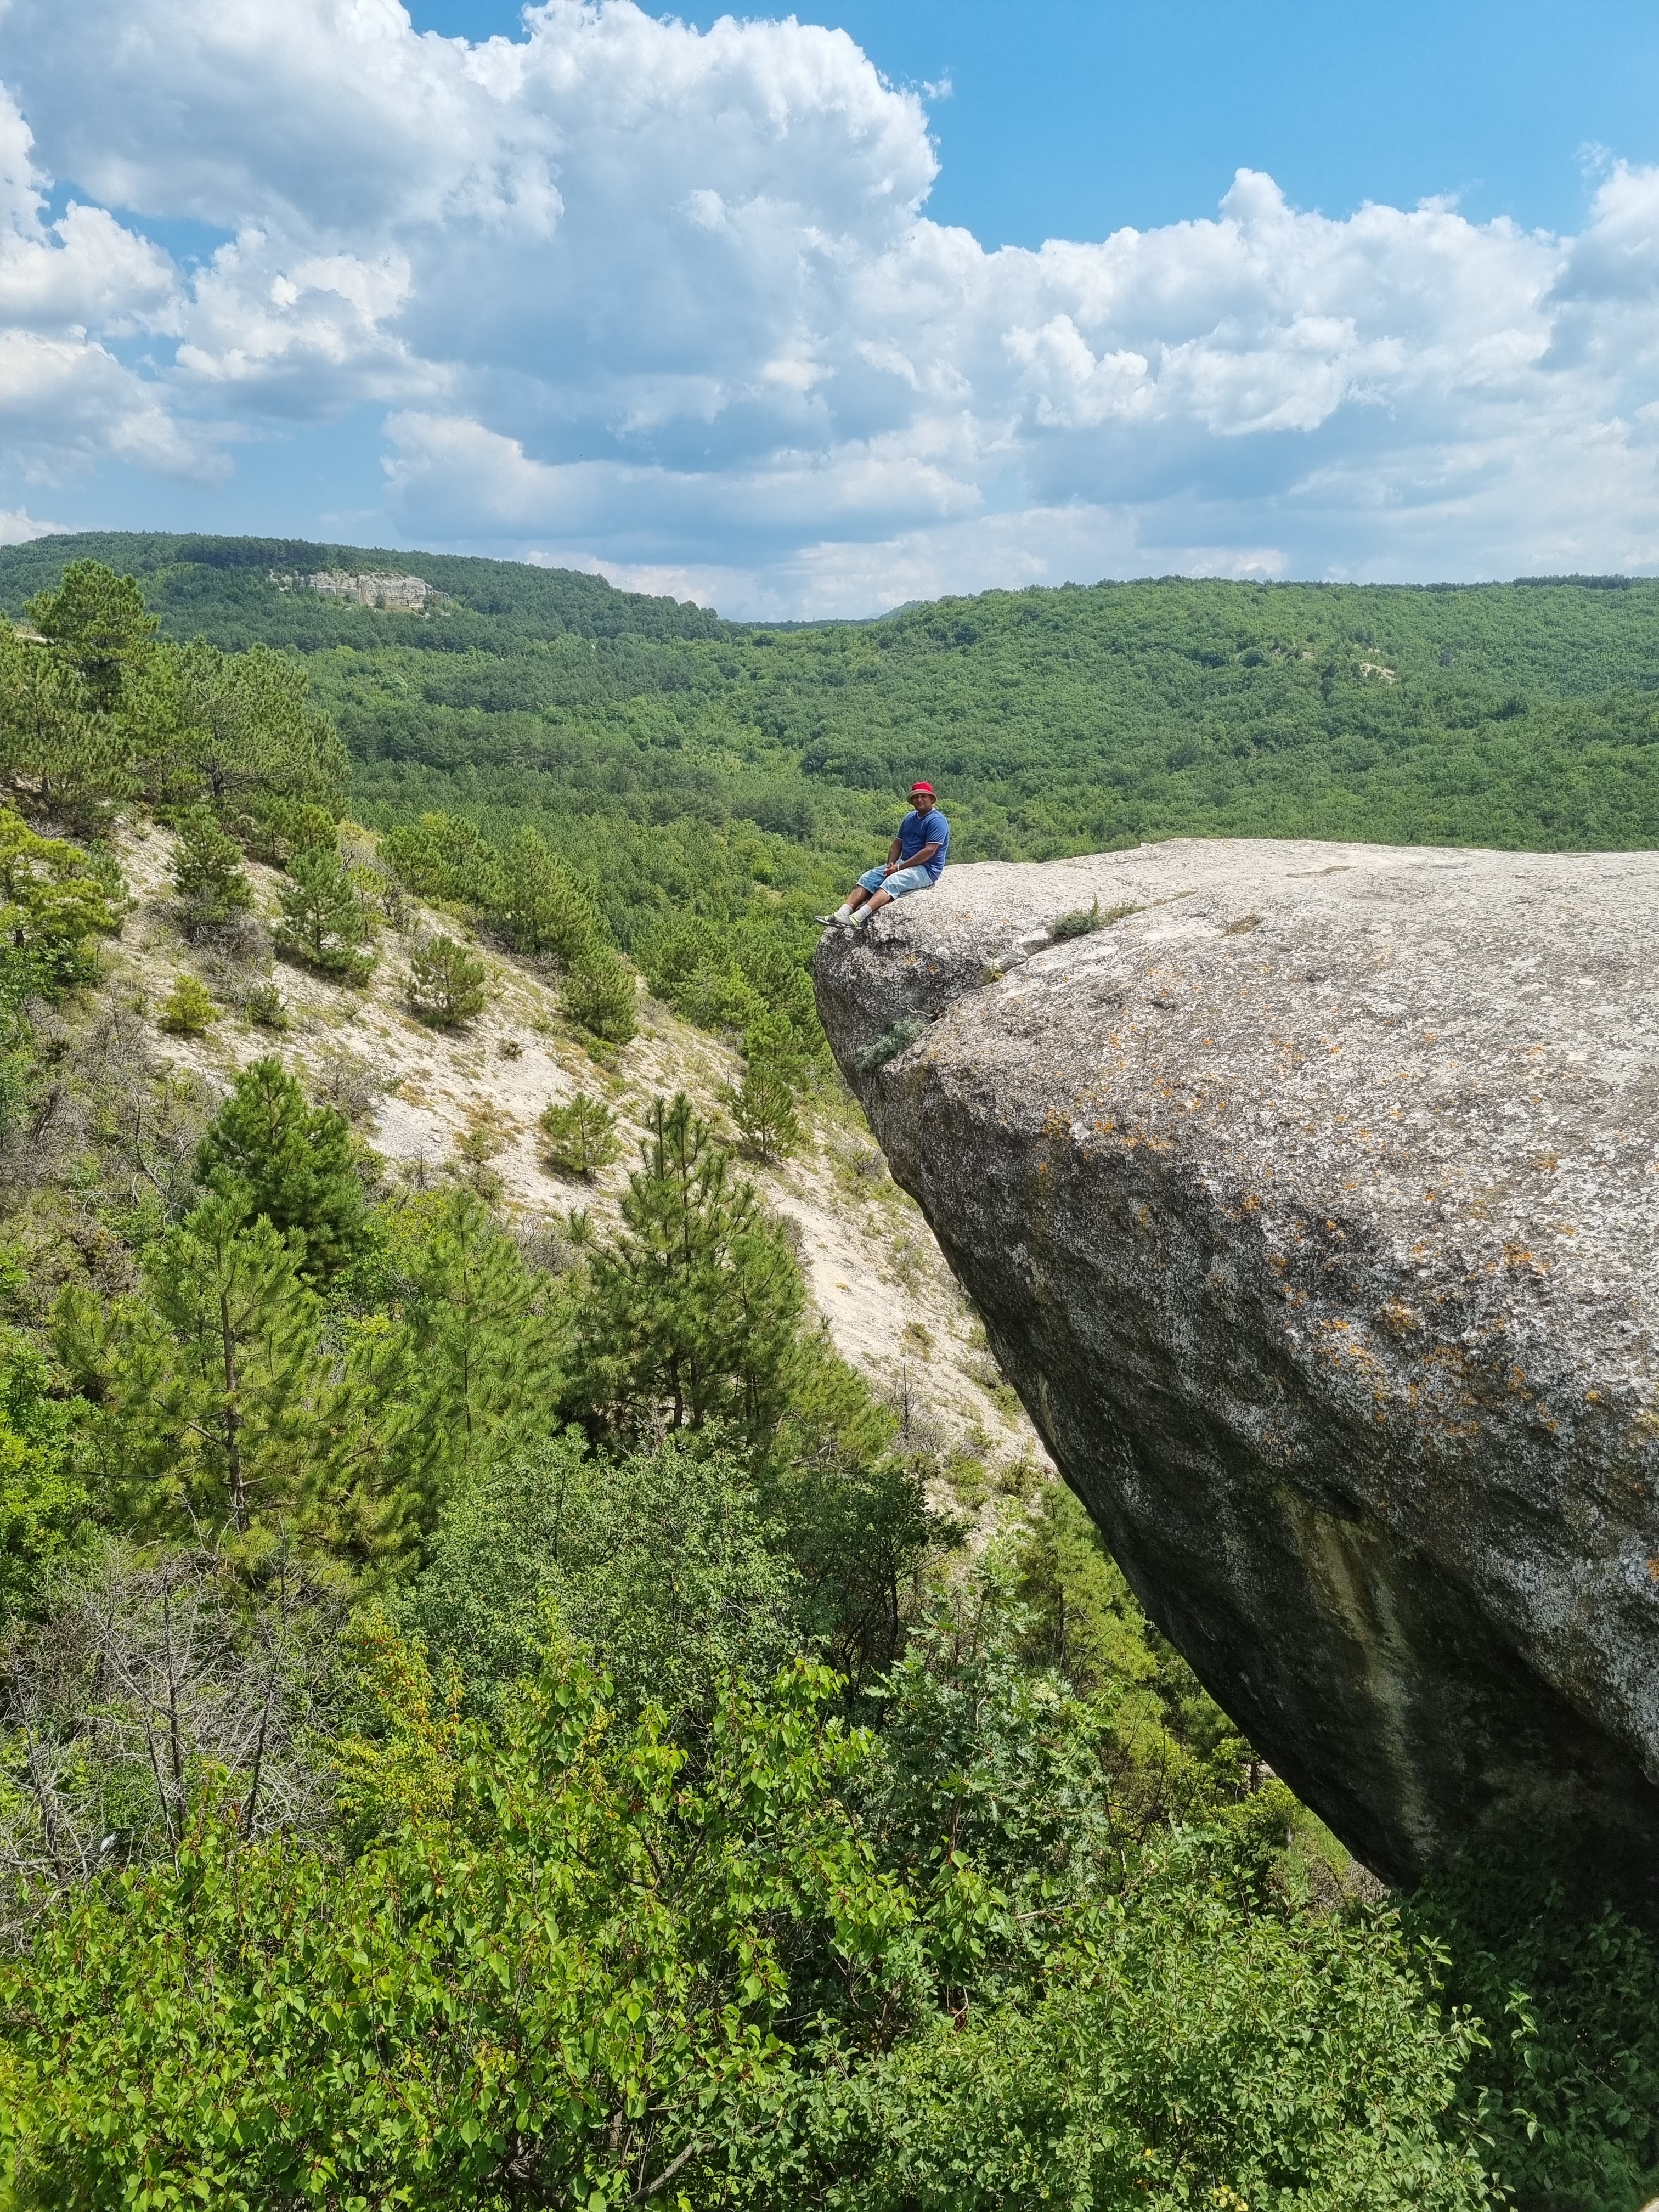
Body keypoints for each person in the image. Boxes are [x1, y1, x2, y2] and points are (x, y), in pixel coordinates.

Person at [819, 782, 950, 930]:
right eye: (916, 797)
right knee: (869, 878)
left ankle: (858, 918)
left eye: (924, 797)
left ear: (932, 799)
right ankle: (841, 913)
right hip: (904, 862)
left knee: (893, 881)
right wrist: (891, 865)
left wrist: (899, 868)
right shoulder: (909, 818)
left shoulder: (937, 821)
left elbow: (929, 851)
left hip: (927, 869)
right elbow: (897, 844)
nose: (919, 800)